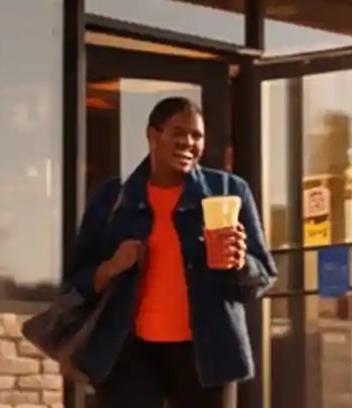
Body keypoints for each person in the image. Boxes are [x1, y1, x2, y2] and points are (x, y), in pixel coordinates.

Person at [65, 97, 277, 408]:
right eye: (178, 132)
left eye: (197, 136)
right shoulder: (113, 198)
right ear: (153, 135)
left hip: (207, 355)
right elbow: (77, 281)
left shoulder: (229, 192)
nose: (188, 143)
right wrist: (112, 266)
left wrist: (241, 263)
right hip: (128, 355)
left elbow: (265, 276)